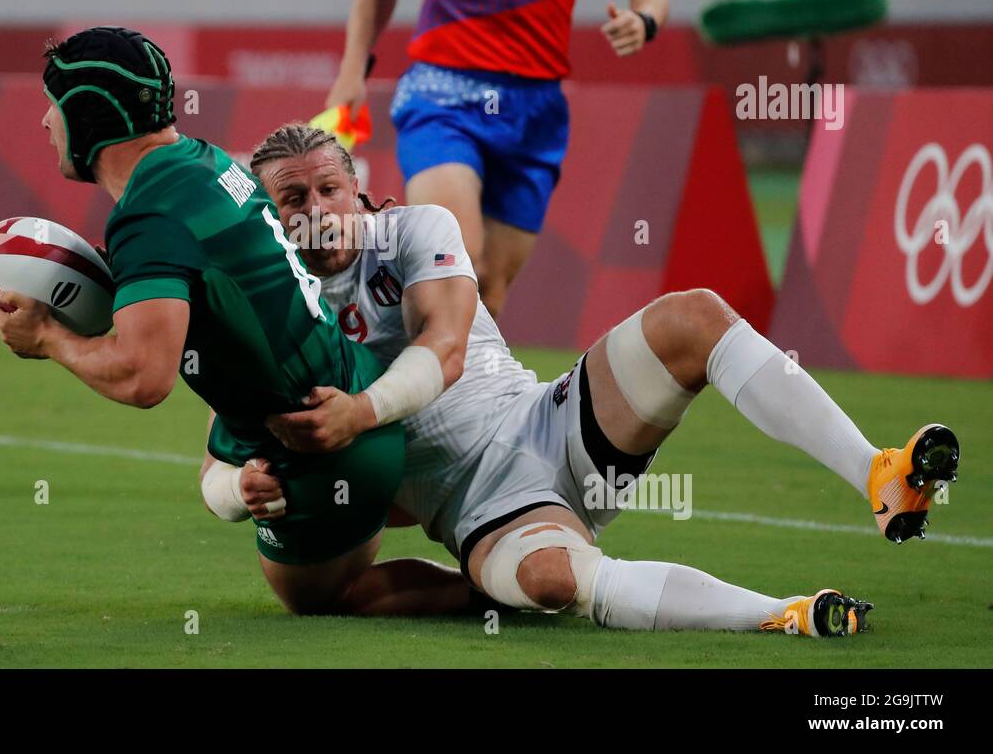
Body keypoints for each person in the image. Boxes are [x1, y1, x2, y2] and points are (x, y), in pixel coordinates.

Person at [210, 123, 960, 636]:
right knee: (550, 584)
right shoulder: (267, 316)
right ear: (271, 222)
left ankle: (880, 474)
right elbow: (218, 459)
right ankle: (785, 613)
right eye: (295, 200)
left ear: (359, 191)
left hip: (551, 422)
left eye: (329, 190)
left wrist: (360, 412)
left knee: (692, 318)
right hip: (480, 505)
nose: (318, 210)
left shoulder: (415, 230)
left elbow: (443, 352)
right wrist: (236, 493)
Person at [0, 27, 475, 616]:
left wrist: (49, 338)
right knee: (234, 486)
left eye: (54, 107)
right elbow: (210, 278)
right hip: (348, 381)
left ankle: (498, 588)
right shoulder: (202, 160)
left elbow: (144, 379)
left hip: (319, 443)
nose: (44, 123)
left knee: (317, 599)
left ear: (89, 117)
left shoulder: (150, 213)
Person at [326, 0, 670, 318]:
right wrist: (353, 70)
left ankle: (460, 395)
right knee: (452, 263)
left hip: (534, 112)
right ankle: (392, 385)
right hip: (441, 96)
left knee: (488, 290)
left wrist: (644, 19)